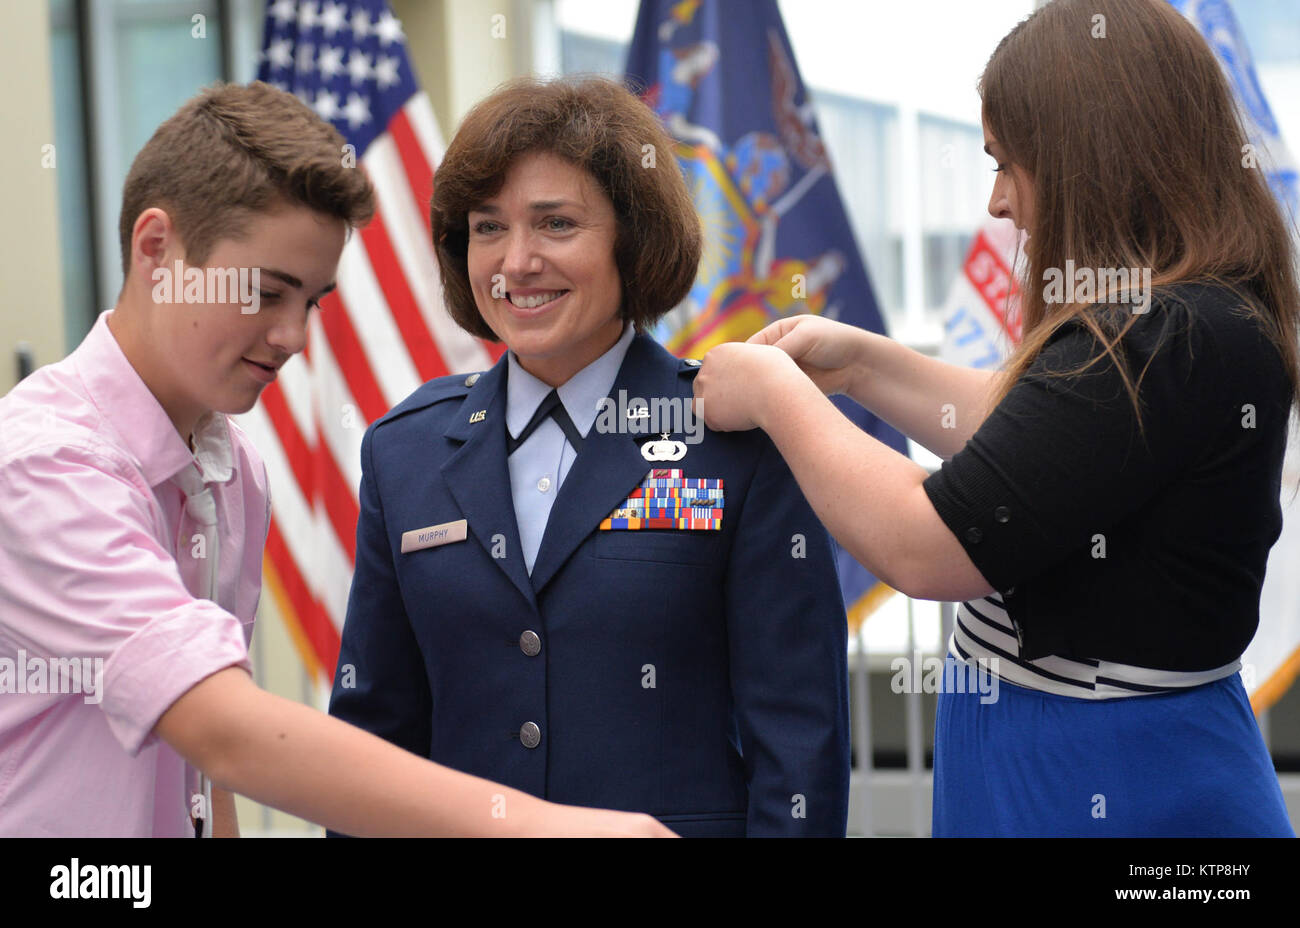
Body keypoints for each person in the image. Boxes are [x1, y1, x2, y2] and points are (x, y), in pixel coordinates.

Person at [0, 81, 671, 838]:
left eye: (311, 301)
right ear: (157, 249)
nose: (292, 337)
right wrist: (550, 829)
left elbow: (201, 770)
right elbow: (224, 730)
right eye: (264, 291)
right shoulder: (42, 468)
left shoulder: (233, 471)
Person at [692, 0, 1297, 837]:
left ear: (1093, 157)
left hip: (1112, 782)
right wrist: (864, 365)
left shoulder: (1167, 334)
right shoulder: (1183, 319)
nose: (1000, 203)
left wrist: (773, 394)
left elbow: (927, 543)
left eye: (1009, 165)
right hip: (1077, 762)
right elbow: (1047, 451)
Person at [327, 76, 851, 837]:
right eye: (487, 228)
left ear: (631, 241)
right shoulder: (403, 451)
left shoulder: (740, 438)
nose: (517, 262)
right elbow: (372, 736)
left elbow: (800, 742)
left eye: (556, 224)